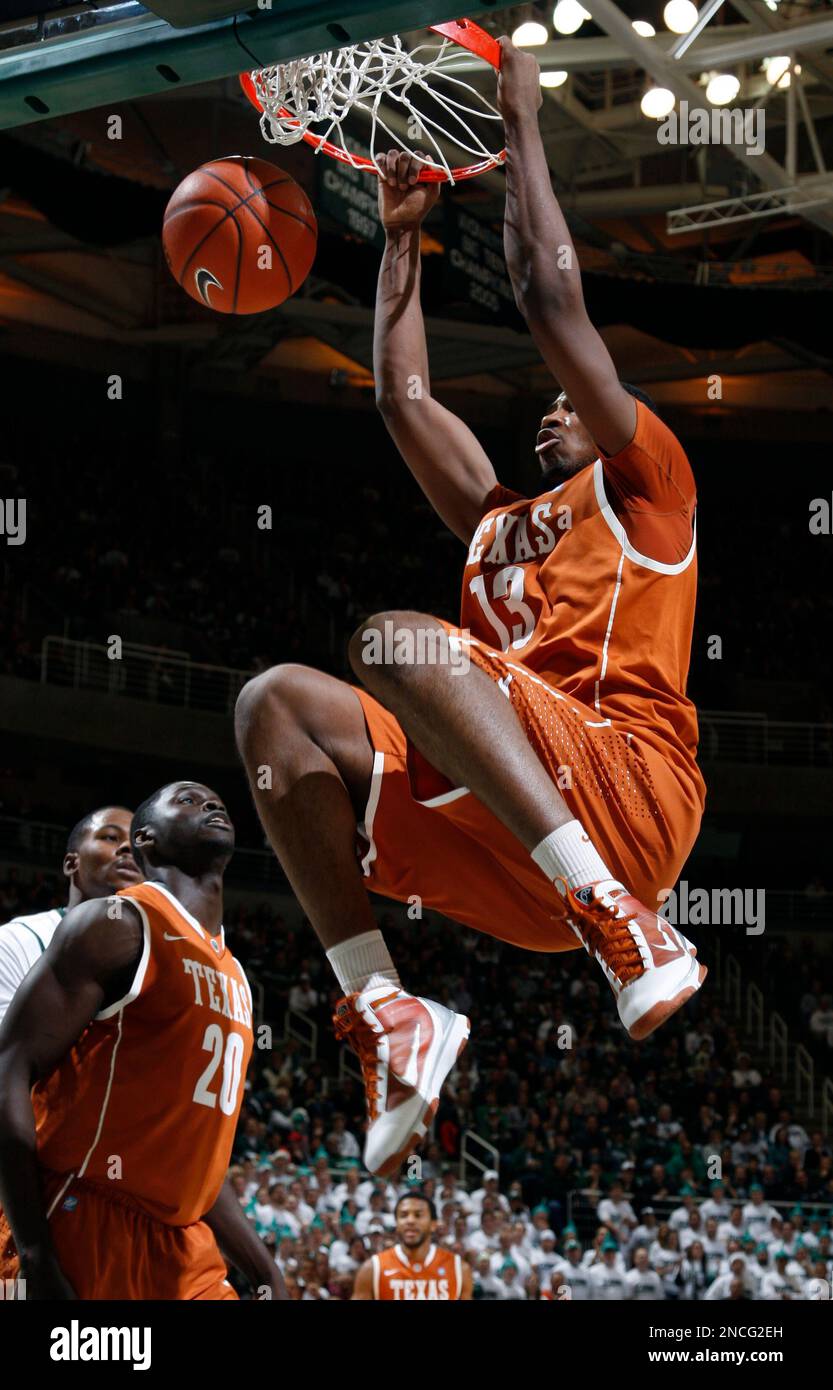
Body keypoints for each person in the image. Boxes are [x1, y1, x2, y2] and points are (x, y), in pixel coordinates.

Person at [234, 36, 706, 1179]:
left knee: (389, 641)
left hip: (629, 786)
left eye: (570, 397)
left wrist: (522, 126)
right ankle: (386, 1011)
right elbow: (402, 399)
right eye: (544, 401)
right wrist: (398, 242)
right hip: (522, 852)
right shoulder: (499, 521)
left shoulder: (647, 487)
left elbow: (550, 295)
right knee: (273, 707)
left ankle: (621, 915)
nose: (553, 408)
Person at [0, 781, 282, 1301]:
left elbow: (196, 1152)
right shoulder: (119, 926)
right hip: (88, 1215)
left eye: (215, 800)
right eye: (188, 800)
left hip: (183, 1242)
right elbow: (9, 1071)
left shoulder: (238, 975)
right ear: (146, 840)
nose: (211, 804)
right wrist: (35, 1249)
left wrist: (266, 1272)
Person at [0, 805, 142, 1023]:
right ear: (71, 863)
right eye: (111, 837)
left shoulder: (162, 952)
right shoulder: (15, 940)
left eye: (136, 843)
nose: (127, 847)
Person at [352, 1191, 472, 1300]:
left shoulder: (459, 1269)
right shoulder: (372, 1269)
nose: (410, 1221)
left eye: (418, 1215)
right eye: (403, 1215)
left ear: (433, 1224)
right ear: (397, 1224)